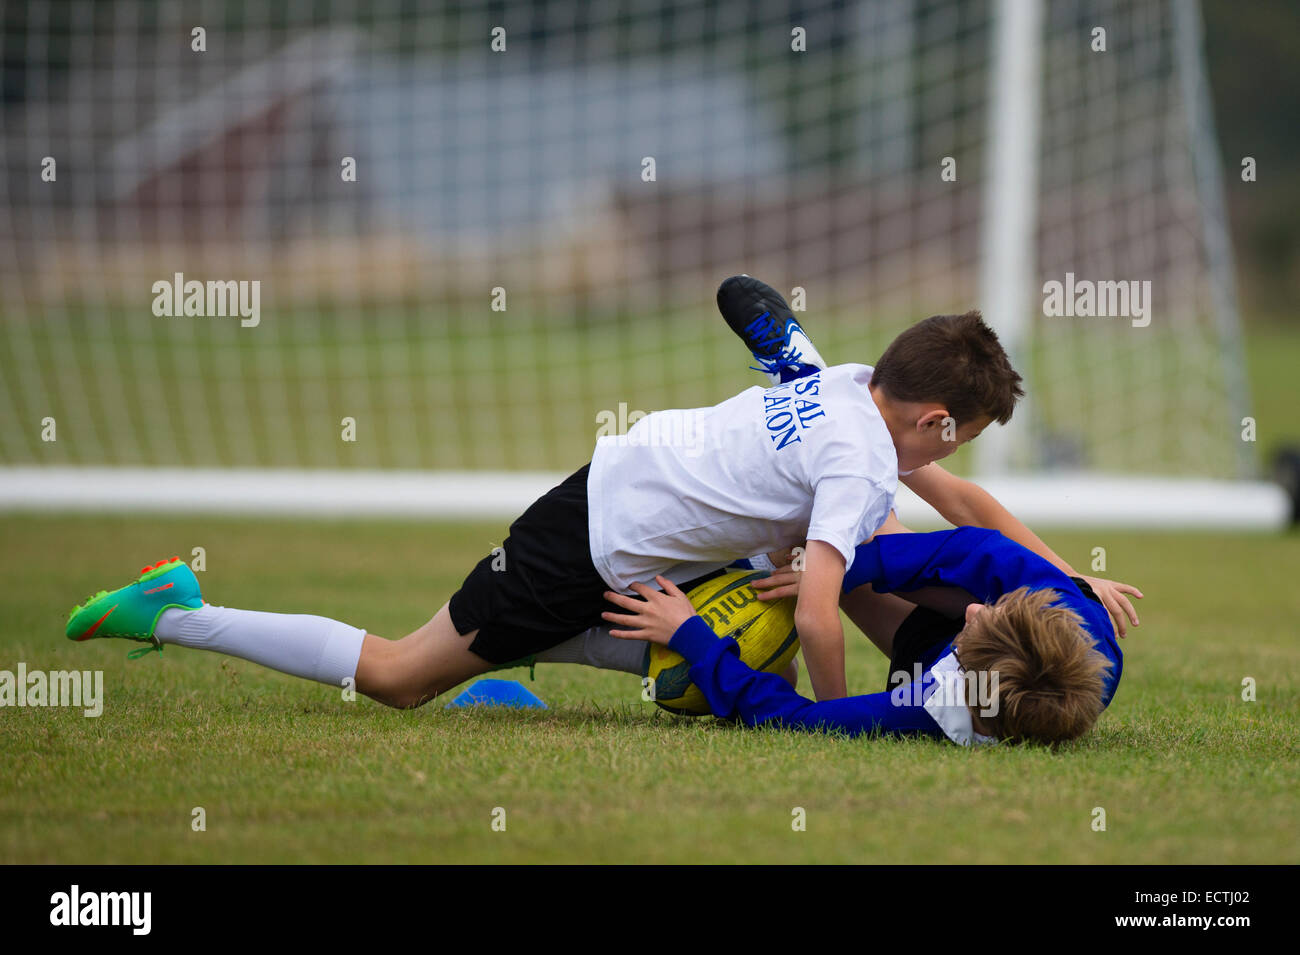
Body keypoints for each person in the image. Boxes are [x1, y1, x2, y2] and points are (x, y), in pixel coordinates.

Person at [65, 283, 1026, 707]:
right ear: (938, 420)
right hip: (590, 542)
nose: (956, 455)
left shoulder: (853, 386)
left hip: (639, 505)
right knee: (402, 676)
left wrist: (1069, 582)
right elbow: (823, 614)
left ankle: (563, 650)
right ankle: (178, 611)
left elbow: (969, 511)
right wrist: (834, 721)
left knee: (841, 553)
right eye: (964, 437)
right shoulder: (863, 461)